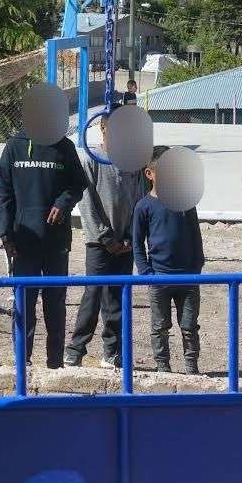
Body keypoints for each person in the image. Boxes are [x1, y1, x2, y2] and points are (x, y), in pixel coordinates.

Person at [0, 117, 87, 370]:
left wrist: (63, 203)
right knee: (24, 304)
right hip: (23, 240)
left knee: (55, 304)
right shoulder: (14, 146)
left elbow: (79, 183)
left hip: (57, 241)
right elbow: (4, 193)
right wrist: (5, 235)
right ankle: (21, 362)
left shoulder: (64, 146)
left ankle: (55, 363)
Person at [65, 115, 145, 369]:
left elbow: (138, 201)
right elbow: (86, 203)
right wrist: (105, 236)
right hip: (99, 243)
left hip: (125, 243)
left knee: (118, 297)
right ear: (103, 128)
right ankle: (76, 349)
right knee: (93, 293)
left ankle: (112, 351)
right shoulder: (91, 160)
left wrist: (130, 236)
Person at [133, 146, 206, 374]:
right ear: (150, 174)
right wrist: (146, 273)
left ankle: (191, 367)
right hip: (159, 278)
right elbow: (137, 243)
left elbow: (196, 237)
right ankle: (162, 366)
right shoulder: (143, 206)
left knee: (189, 325)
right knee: (160, 326)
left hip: (188, 278)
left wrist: (197, 267)